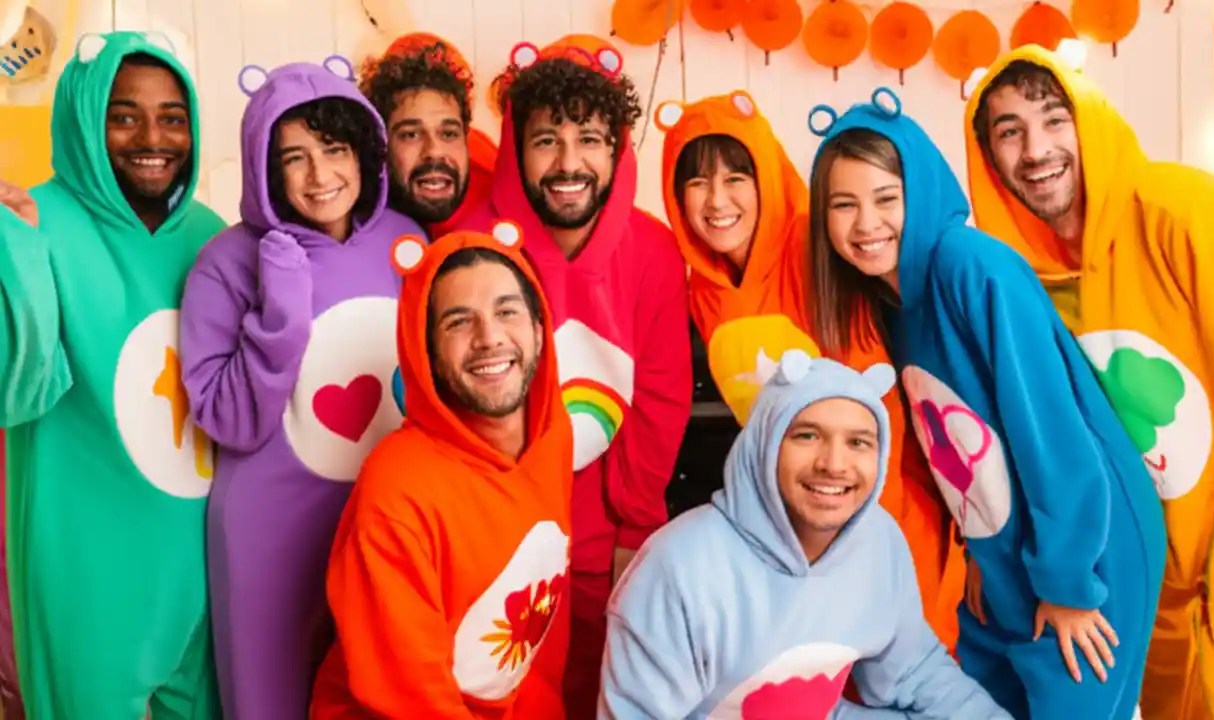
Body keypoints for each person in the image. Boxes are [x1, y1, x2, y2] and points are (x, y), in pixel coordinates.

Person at [804, 87, 1166, 720]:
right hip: (1006, 552)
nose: (866, 224)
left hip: (1088, 544)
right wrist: (979, 548)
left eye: (887, 199)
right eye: (844, 204)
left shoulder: (973, 267)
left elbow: (1049, 429)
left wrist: (1070, 583)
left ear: (921, 192)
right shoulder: (889, 304)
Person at [963, 45, 1214, 720]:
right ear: (988, 156)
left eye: (1054, 120)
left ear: (1089, 120)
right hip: (1151, 596)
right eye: (1010, 131)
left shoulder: (1193, 215)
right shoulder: (1019, 283)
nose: (1036, 150)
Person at [656, 90, 963, 650]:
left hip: (882, 516)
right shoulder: (703, 288)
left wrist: (865, 544)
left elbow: (878, 411)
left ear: (766, 175)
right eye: (697, 181)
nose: (716, 200)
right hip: (798, 532)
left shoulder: (811, 250)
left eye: (736, 177)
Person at [178, 57, 419, 720]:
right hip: (269, 532)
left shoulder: (406, 240)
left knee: (379, 697)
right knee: (270, 702)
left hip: (382, 521)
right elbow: (230, 421)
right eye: (294, 157)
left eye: (334, 149)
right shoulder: (228, 261)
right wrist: (280, 310)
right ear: (265, 167)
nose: (319, 175)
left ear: (362, 150)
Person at [459, 34, 692, 712]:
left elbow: (660, 400)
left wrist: (634, 533)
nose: (568, 163)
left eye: (589, 139)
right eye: (546, 141)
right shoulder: (472, 247)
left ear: (617, 148)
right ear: (516, 148)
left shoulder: (652, 249)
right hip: (494, 536)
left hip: (605, 541)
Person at [0, 31, 225, 718]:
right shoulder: (33, 220)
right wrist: (17, 258)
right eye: (123, 115)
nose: (152, 138)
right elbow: (16, 386)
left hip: (202, 559)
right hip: (85, 564)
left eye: (172, 117)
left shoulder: (211, 234)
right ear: (83, 118)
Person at [600, 351, 1009, 719]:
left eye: (858, 442)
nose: (834, 464)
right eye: (807, 436)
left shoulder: (878, 539)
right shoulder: (677, 567)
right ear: (764, 445)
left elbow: (914, 672)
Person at [309, 225, 572, 718]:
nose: (489, 338)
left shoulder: (551, 437)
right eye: (458, 322)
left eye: (507, 311)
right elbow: (411, 697)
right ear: (425, 351)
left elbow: (537, 641)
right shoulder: (397, 491)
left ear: (539, 328)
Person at [360, 32, 497, 236]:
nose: (434, 151)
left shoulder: (503, 217)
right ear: (381, 144)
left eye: (449, 134)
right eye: (411, 135)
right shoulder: (350, 221)